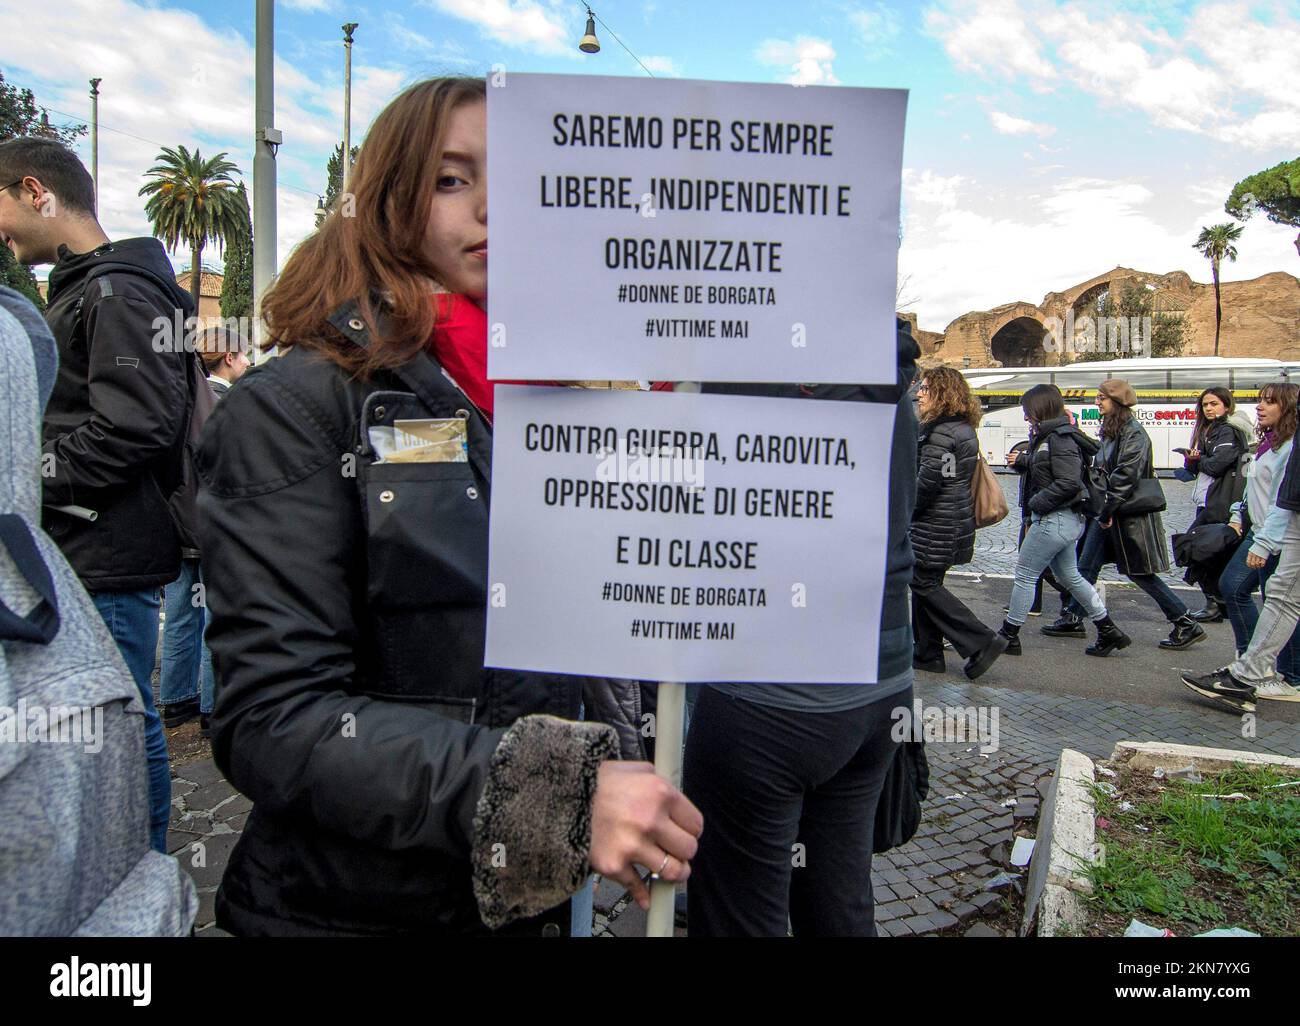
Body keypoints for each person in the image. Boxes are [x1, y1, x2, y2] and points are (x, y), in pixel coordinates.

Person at [193, 77, 702, 936]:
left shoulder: (561, 400)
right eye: (451, 179)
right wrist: (558, 794)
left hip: (532, 897)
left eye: (524, 180)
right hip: (352, 912)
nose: (491, 211)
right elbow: (271, 719)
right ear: (387, 198)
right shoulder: (300, 403)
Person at [681, 319, 920, 937]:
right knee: (837, 899)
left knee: (741, 913)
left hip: (771, 692)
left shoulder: (753, 368)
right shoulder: (887, 370)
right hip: (881, 679)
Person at [0, 136, 196, 854]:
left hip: (110, 546)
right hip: (92, 541)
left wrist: (32, 471)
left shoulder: (117, 290)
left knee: (122, 711)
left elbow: (137, 423)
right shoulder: (98, 287)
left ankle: (133, 867)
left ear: (33, 190)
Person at [1043, 378, 1204, 650]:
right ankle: (1074, 617)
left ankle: (1185, 621)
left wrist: (1105, 510)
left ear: (1117, 402)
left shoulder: (1134, 433)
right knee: (1085, 567)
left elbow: (1124, 477)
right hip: (1110, 513)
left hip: (1127, 516)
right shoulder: (1112, 431)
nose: (1097, 402)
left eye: (1101, 398)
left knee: (1139, 573)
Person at [1182, 383, 1300, 709]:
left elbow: (1285, 499)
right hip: (1262, 529)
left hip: (1280, 534)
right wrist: (1239, 513)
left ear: (1288, 408)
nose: (1260, 407)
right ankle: (1250, 667)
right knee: (1257, 594)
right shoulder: (1268, 443)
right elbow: (1253, 487)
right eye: (1260, 401)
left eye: (1270, 402)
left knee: (1282, 602)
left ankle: (1260, 674)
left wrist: (1264, 542)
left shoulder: (1291, 447)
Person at [159, 326, 250, 737]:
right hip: (213, 527)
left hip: (176, 524)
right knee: (217, 617)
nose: (248, 363)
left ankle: (176, 699)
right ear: (228, 358)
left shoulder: (176, 402)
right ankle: (213, 707)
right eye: (244, 355)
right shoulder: (228, 406)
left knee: (180, 614)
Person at [999, 385, 1129, 656]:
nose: (1025, 417)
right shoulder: (1053, 436)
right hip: (1064, 520)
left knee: (1025, 575)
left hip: (1053, 519)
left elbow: (1068, 482)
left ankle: (1008, 635)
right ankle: (1108, 629)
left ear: (1040, 409)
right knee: (1070, 576)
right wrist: (1025, 463)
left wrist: (1036, 504)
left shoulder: (1058, 438)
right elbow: (1052, 471)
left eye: (1027, 411)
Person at [909, 366, 1007, 679]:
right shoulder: (961, 428)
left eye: (925, 388)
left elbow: (928, 483)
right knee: (927, 582)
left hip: (935, 524)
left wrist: (902, 509)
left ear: (942, 393)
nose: (920, 394)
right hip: (949, 522)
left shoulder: (941, 432)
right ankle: (927, 653)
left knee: (922, 582)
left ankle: (981, 640)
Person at [1182, 387, 1251, 622]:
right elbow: (1195, 468)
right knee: (1207, 550)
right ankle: (1218, 603)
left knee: (1198, 548)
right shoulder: (1208, 430)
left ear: (1227, 406)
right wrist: (1192, 459)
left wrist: (1198, 458)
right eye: (1205, 405)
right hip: (1207, 499)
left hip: (1221, 502)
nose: (1209, 409)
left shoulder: (1228, 431)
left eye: (1214, 404)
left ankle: (1218, 602)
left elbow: (1216, 465)